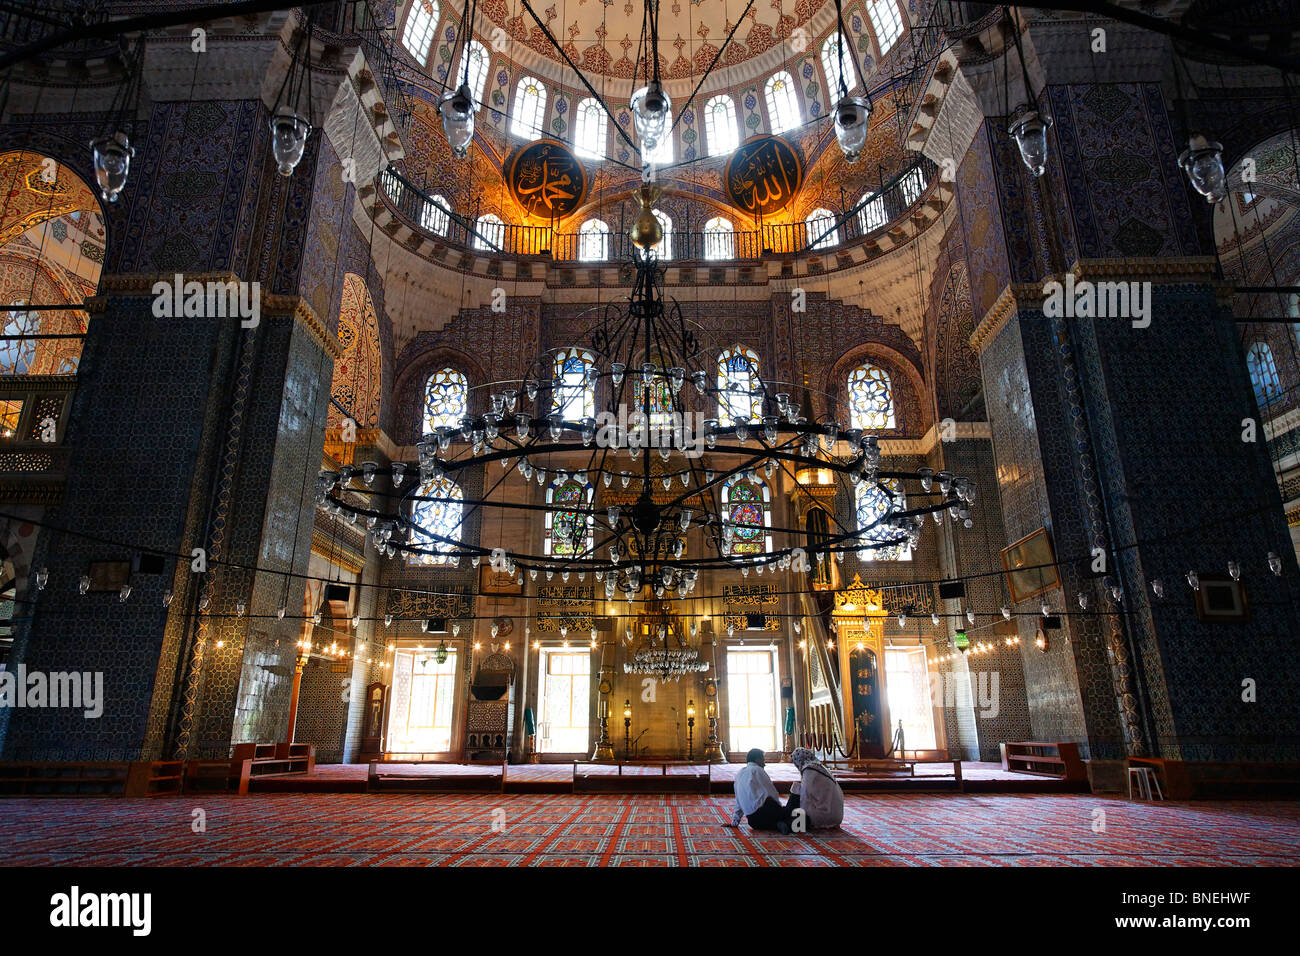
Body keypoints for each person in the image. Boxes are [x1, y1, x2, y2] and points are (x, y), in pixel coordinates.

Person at [727, 748, 793, 833]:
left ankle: (778, 825)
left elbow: (738, 801)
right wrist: (781, 812)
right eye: (763, 760)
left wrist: (735, 822)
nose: (764, 764)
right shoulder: (758, 770)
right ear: (758, 760)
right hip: (767, 813)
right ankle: (782, 822)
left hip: (754, 823)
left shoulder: (739, 774)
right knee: (796, 812)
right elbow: (772, 793)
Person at [787, 746, 844, 830]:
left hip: (825, 815)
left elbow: (805, 797)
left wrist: (799, 817)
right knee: (797, 788)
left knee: (795, 792)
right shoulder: (819, 767)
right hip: (837, 815)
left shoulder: (809, 770)